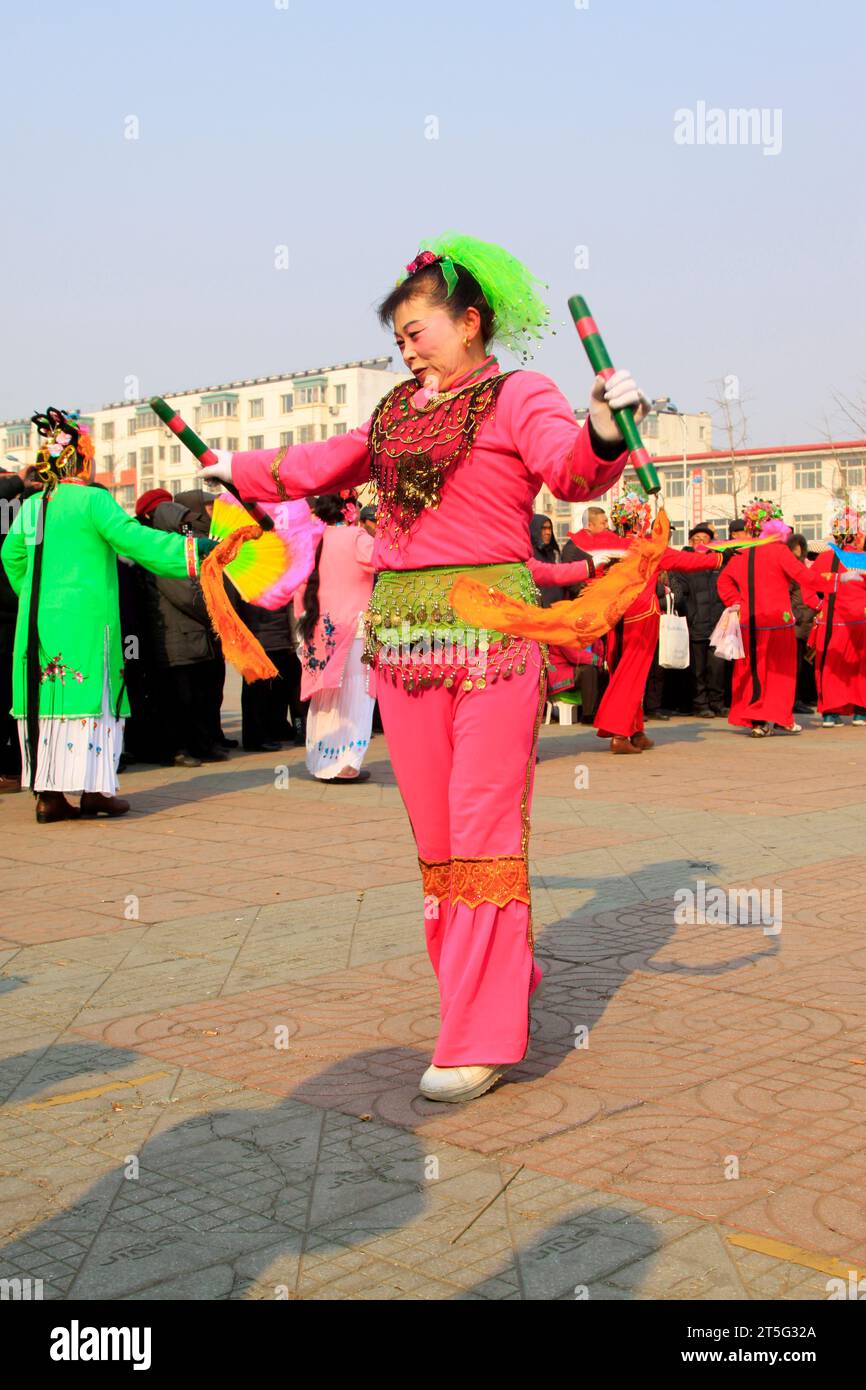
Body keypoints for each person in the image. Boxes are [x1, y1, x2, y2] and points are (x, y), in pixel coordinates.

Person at [200, 232, 648, 1103]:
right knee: (439, 845)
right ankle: (488, 991)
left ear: (471, 320)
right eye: (398, 335)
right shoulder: (397, 412)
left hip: (491, 647)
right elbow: (317, 463)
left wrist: (601, 425)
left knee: (482, 832)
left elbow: (570, 471)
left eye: (419, 328)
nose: (407, 346)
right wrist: (235, 467)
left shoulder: (520, 392)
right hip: (404, 651)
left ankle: (478, 1034)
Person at [1, 408, 216, 821]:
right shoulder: (93, 501)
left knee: (46, 703)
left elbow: (10, 556)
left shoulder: (31, 507)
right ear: (81, 459)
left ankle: (49, 796)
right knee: (92, 701)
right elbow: (135, 541)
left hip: (39, 624)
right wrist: (193, 550)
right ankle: (95, 792)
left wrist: (33, 593)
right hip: (85, 622)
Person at [585, 494, 722, 753]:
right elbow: (684, 560)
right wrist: (718, 559)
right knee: (632, 676)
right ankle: (620, 734)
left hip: (617, 616)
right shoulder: (647, 547)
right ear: (640, 520)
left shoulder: (609, 546)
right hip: (641, 616)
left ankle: (635, 730)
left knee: (625, 672)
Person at [715, 500, 844, 737]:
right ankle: (780, 717)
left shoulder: (741, 553)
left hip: (749, 621)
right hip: (777, 620)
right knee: (780, 672)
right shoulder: (778, 551)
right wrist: (838, 581)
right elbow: (804, 577)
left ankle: (757, 720)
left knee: (752, 671)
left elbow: (723, 581)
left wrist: (736, 602)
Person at [294, 492, 376, 782]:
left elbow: (300, 585)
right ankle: (346, 763)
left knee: (325, 696)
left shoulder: (313, 539)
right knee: (357, 693)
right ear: (350, 510)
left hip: (317, 627)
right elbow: (385, 560)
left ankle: (321, 759)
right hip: (353, 627)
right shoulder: (357, 538)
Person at [806, 506, 866, 727]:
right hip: (860, 621)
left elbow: (807, 588)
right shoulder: (862, 558)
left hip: (831, 621)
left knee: (829, 666)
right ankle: (861, 711)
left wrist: (820, 605)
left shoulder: (824, 559)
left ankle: (830, 713)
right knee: (860, 666)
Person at [669, 523, 727, 717]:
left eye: (704, 540)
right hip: (696, 624)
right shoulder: (685, 565)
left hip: (718, 624)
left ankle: (717, 703)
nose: (700, 543)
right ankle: (700, 704)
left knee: (717, 668)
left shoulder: (720, 564)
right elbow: (680, 594)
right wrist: (690, 615)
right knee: (698, 670)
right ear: (690, 543)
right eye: (696, 540)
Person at [786, 532, 819, 715]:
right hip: (795, 624)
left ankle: (797, 698)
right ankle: (793, 700)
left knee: (800, 665)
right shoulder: (790, 571)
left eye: (800, 548)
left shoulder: (802, 568)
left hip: (805, 624)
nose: (798, 551)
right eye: (795, 548)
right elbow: (786, 595)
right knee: (793, 666)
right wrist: (796, 614)